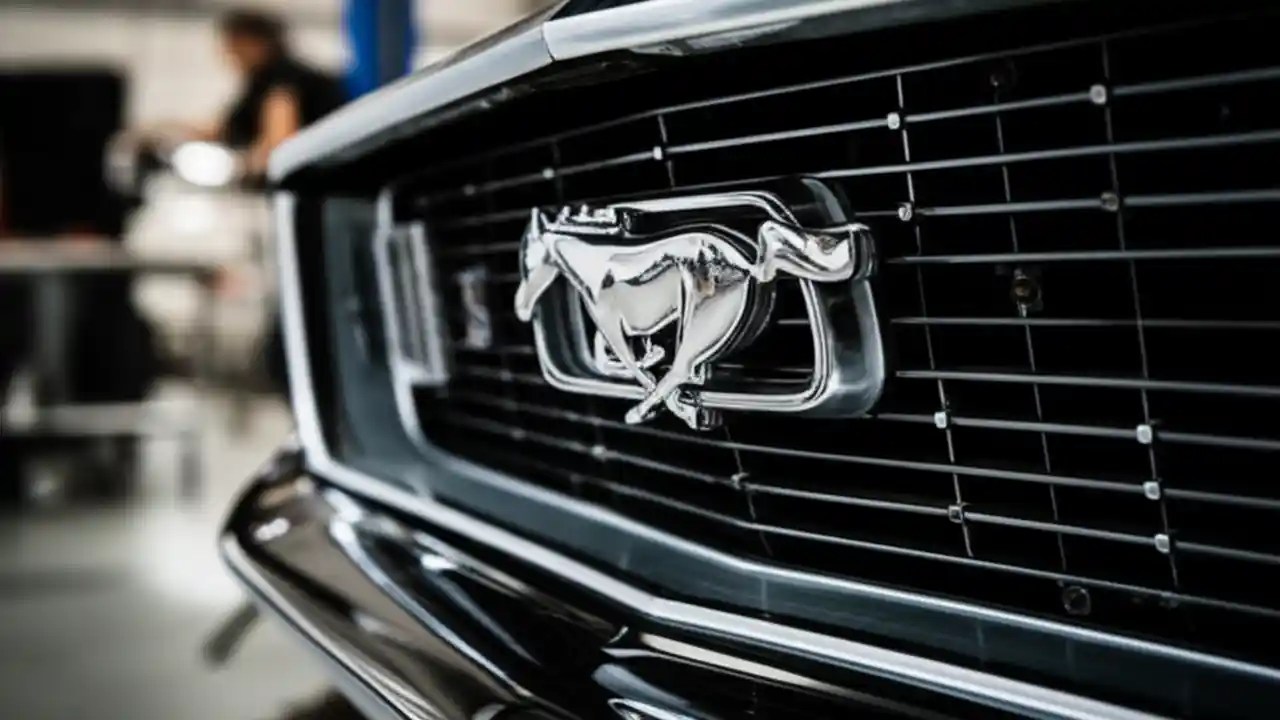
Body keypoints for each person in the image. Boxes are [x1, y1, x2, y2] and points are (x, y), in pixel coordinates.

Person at [209, 9, 346, 181]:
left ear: (253, 44)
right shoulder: (259, 83)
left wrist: (243, 164)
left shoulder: (283, 81)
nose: (229, 54)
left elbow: (279, 143)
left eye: (233, 46)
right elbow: (224, 128)